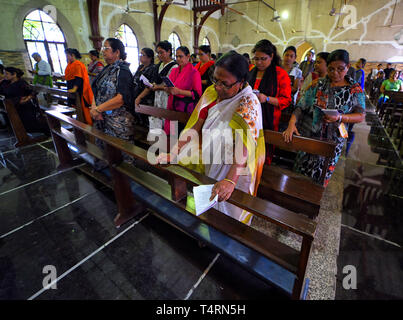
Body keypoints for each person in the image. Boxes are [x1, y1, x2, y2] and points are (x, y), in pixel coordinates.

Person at [156, 51, 265, 225]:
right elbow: (195, 127)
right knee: (211, 201)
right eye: (215, 80)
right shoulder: (212, 93)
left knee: (231, 211)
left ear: (241, 82)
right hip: (212, 159)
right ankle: (211, 231)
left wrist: (230, 180)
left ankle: (229, 240)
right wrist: (173, 153)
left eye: (225, 84)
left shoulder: (249, 103)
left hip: (236, 167)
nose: (218, 88)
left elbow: (244, 146)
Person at [283, 49, 366, 187]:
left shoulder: (354, 89)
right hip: (310, 135)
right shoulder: (319, 84)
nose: (335, 73)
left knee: (320, 179)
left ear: (348, 67)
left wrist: (340, 117)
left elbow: (361, 116)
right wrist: (292, 123)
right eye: (331, 69)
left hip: (333, 141)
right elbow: (301, 106)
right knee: (299, 175)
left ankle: (311, 204)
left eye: (340, 69)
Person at [89, 38, 135, 169]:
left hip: (118, 121)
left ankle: (125, 182)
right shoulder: (106, 69)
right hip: (102, 118)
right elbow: (95, 90)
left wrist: (98, 109)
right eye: (103, 48)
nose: (103, 51)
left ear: (117, 52)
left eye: (106, 48)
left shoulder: (123, 71)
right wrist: (95, 108)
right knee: (105, 150)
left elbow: (121, 99)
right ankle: (110, 176)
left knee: (122, 155)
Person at [247, 39, 291, 164]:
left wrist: (266, 98)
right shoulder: (251, 71)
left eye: (263, 59)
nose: (259, 62)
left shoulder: (280, 74)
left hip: (268, 119)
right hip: (250, 117)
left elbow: (286, 100)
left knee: (262, 155)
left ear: (271, 56)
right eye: (256, 59)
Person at [164, 46, 202, 135]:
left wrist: (179, 92)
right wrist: (167, 89)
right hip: (172, 107)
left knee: (182, 136)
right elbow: (170, 86)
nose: (178, 59)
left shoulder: (194, 72)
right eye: (176, 56)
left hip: (185, 109)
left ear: (188, 56)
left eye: (180, 56)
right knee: (173, 135)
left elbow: (197, 94)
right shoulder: (174, 71)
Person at [0, 67, 49, 135]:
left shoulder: (21, 83)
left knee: (30, 126)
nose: (4, 75)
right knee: (18, 124)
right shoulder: (5, 83)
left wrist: (27, 99)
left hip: (24, 107)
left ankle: (49, 132)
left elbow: (33, 93)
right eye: (4, 73)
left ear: (14, 74)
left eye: (6, 73)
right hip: (13, 106)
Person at [149, 40, 177, 133]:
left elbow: (170, 84)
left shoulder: (174, 66)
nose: (159, 55)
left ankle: (169, 140)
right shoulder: (159, 65)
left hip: (167, 96)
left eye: (161, 52)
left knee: (167, 120)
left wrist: (157, 87)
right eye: (158, 53)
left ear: (169, 51)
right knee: (157, 120)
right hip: (157, 96)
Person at [64, 48, 94, 125]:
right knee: (76, 107)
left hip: (79, 90)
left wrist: (74, 89)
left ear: (72, 55)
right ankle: (80, 122)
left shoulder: (78, 64)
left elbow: (79, 78)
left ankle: (86, 123)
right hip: (72, 87)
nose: (66, 57)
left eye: (67, 55)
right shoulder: (70, 64)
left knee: (82, 107)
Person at [133, 47, 157, 127]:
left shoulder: (153, 68)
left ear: (149, 57)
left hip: (146, 98)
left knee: (146, 121)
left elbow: (149, 86)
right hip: (136, 94)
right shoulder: (140, 67)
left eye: (142, 55)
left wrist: (139, 97)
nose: (140, 56)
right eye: (140, 54)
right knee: (138, 120)